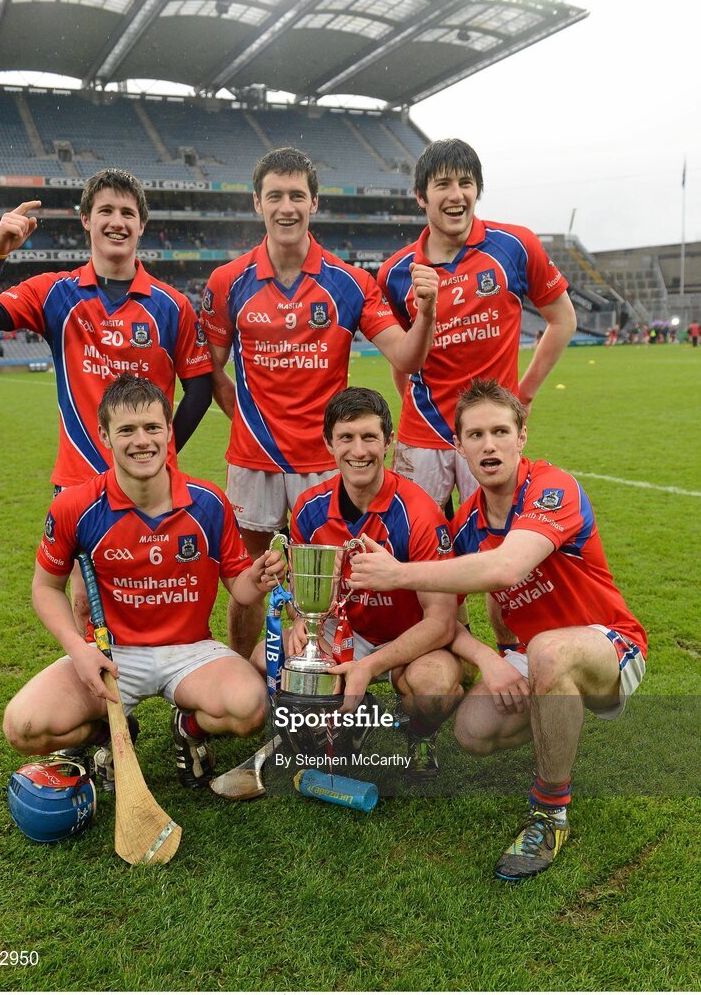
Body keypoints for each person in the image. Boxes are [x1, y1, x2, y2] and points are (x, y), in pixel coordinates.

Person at [348, 379, 647, 880]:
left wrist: (399, 573)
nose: (489, 445)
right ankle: (559, 711)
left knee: (550, 651)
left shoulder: (552, 487)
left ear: (521, 436)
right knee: (472, 732)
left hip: (609, 643)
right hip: (534, 653)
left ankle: (549, 814)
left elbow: (506, 568)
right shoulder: (466, 523)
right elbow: (450, 622)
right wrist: (496, 656)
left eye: (500, 432)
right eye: (476, 435)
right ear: (459, 446)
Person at [201, 147, 438, 656]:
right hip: (254, 460)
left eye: (296, 196)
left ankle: (325, 672)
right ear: (257, 203)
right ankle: (242, 674)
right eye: (274, 196)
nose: (286, 207)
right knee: (251, 581)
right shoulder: (228, 281)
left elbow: (407, 356)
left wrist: (426, 314)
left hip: (325, 462)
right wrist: (244, 419)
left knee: (324, 587)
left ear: (314, 203)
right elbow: (211, 367)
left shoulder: (349, 282)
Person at [2, 374, 285, 789]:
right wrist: (78, 651)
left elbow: (239, 588)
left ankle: (189, 727)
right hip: (111, 654)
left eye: (152, 427)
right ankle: (110, 734)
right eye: (127, 430)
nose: (142, 441)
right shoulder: (75, 506)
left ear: (169, 431)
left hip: (190, 651)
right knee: (24, 727)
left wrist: (257, 579)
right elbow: (45, 588)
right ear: (104, 436)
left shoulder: (208, 502)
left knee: (250, 709)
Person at [0, 168, 213, 626]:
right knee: (86, 607)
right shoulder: (55, 292)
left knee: (158, 597)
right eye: (106, 210)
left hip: (150, 480)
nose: (117, 221)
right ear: (86, 220)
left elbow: (200, 388)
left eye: (128, 213)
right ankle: (98, 674)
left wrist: (163, 450)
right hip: (80, 481)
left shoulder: (171, 305)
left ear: (141, 225)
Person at [251, 387, 462, 779]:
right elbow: (303, 594)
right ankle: (354, 715)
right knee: (266, 659)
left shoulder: (420, 513)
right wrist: (302, 623)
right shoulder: (310, 508)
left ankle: (420, 734)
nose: (359, 450)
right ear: (328, 442)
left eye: (369, 437)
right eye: (346, 437)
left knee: (434, 687)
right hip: (346, 631)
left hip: (410, 638)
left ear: (389, 441)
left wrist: (368, 666)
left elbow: (441, 622)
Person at [378, 139, 577, 512]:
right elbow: (400, 354)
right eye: (443, 184)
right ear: (421, 196)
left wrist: (524, 396)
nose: (457, 195)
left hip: (491, 431)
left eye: (466, 183)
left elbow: (563, 319)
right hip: (423, 433)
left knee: (493, 537)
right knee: (415, 536)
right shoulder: (395, 273)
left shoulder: (515, 246)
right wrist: (413, 406)